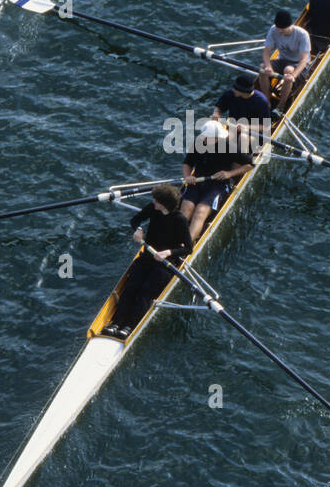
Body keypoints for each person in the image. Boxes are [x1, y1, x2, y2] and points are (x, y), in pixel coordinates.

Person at [103, 184, 192, 339]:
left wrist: (168, 252)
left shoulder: (180, 219)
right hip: (147, 256)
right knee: (131, 286)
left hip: (166, 262)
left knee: (145, 292)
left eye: (156, 200)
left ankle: (129, 327)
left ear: (164, 204)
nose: (153, 202)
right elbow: (135, 220)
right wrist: (138, 230)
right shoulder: (153, 208)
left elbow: (188, 248)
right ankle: (116, 323)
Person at [181, 120, 253, 242]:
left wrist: (229, 174)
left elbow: (250, 165)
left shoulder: (229, 147)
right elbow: (187, 163)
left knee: (200, 211)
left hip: (218, 185)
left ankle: (185, 247)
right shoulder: (198, 144)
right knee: (185, 210)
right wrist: (188, 176)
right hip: (197, 181)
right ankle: (173, 242)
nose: (202, 138)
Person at [259, 9, 311, 113]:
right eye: (278, 28)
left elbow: (303, 60)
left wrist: (293, 76)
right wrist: (269, 67)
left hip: (299, 65)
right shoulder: (273, 30)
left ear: (290, 25)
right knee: (262, 68)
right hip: (283, 60)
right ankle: (267, 101)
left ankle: (280, 106)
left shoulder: (302, 35)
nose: (280, 31)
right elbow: (266, 53)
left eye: (282, 29)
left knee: (288, 71)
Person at [213, 72, 271, 148]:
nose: (233, 89)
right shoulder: (230, 94)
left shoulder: (261, 101)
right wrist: (216, 113)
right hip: (234, 128)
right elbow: (219, 107)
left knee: (243, 137)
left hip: (254, 133)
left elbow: (265, 127)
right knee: (221, 137)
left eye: (236, 89)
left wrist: (246, 127)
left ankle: (241, 158)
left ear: (244, 91)